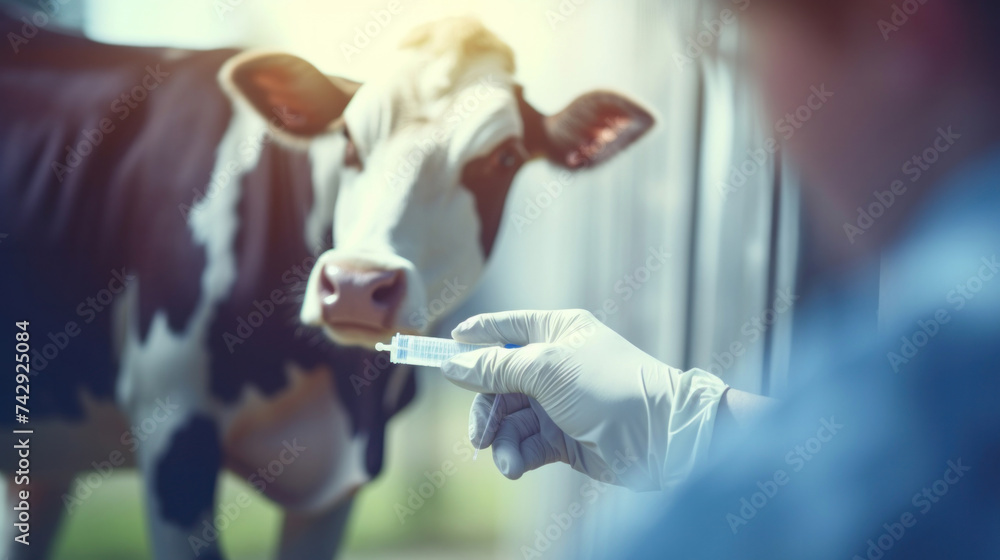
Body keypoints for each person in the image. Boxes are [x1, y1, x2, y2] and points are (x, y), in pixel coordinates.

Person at [441, 0, 1000, 557]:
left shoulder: (934, 378)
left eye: (740, 58)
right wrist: (684, 425)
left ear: (906, 31)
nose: (775, 129)